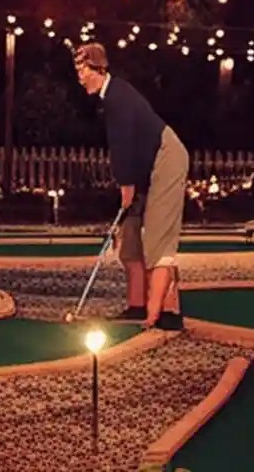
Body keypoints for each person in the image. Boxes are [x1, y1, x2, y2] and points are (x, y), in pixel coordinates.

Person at [74, 43, 188, 330]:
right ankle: (137, 306)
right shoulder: (110, 96)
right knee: (131, 237)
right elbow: (128, 148)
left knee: (158, 240)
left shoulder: (118, 97)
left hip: (166, 158)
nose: (79, 77)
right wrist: (130, 188)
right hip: (145, 168)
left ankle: (162, 314)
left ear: (98, 69)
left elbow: (122, 146)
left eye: (82, 70)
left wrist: (126, 187)